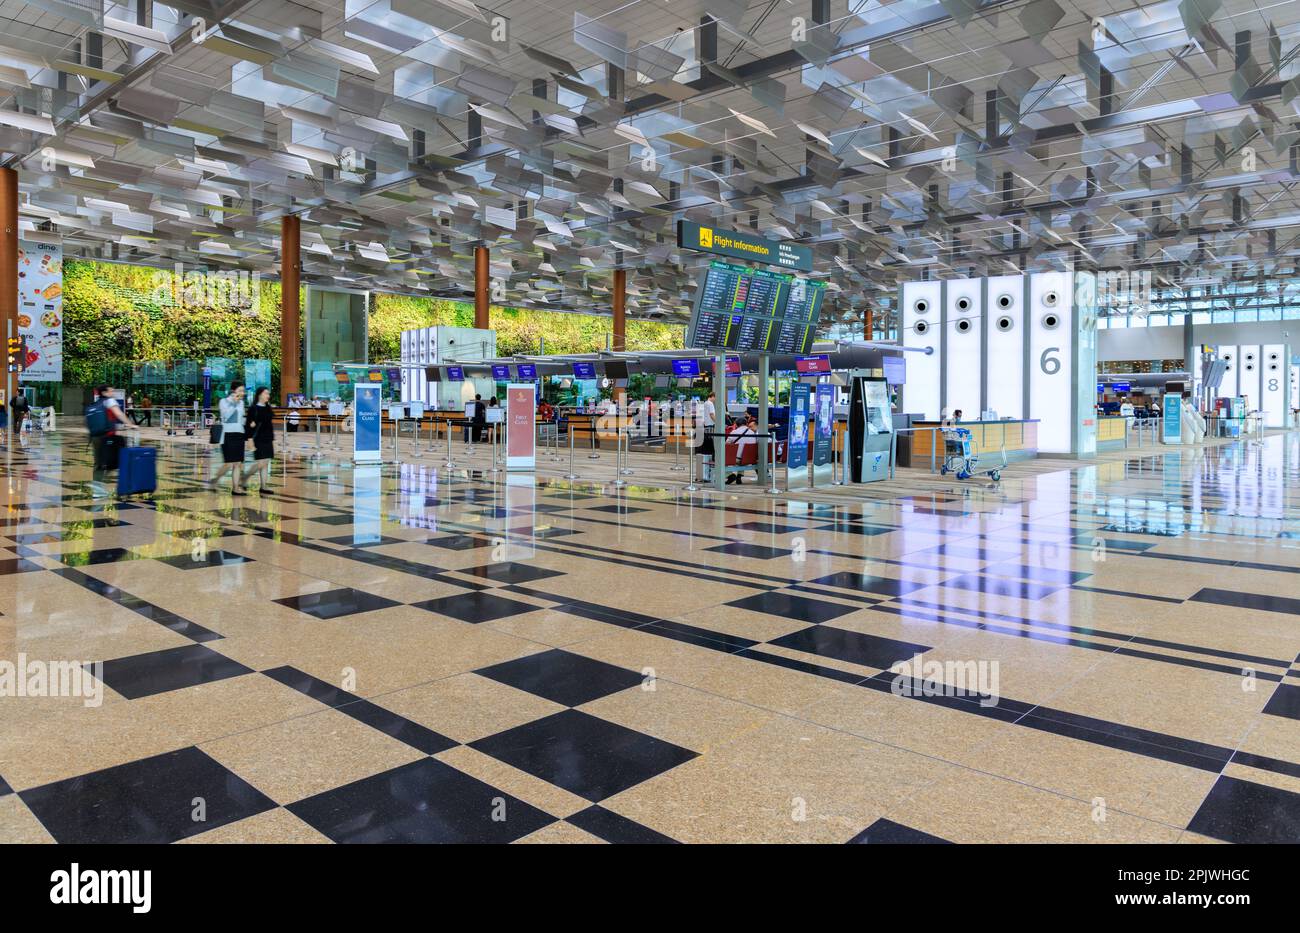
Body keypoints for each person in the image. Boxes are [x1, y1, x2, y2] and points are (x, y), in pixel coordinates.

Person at [88, 384, 129, 497]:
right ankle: (100, 486)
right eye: (111, 391)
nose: (113, 392)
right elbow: (119, 414)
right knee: (116, 461)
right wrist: (130, 424)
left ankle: (97, 488)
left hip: (95, 436)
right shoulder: (110, 401)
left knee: (98, 463)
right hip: (109, 437)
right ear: (104, 393)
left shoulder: (95, 403)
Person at [210, 381, 247, 494]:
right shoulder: (224, 401)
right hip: (227, 435)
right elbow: (226, 416)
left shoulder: (241, 403)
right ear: (233, 390)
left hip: (239, 434)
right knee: (228, 463)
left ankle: (235, 488)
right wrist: (234, 403)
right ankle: (215, 480)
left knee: (237, 463)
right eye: (240, 390)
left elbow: (241, 418)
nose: (242, 393)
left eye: (243, 391)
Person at [242, 387, 274, 491]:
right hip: (258, 438)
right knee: (261, 462)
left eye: (268, 394)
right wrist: (249, 439)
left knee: (266, 462)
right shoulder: (253, 408)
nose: (268, 396)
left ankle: (263, 486)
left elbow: (269, 424)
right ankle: (245, 477)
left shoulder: (268, 407)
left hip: (268, 437)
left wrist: (273, 439)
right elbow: (248, 425)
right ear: (259, 394)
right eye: (266, 393)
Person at [726, 414, 757, 485]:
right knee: (743, 453)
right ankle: (739, 476)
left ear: (736, 424)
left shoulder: (734, 432)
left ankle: (730, 475)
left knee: (720, 458)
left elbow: (726, 445)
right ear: (746, 424)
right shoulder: (752, 433)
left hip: (737, 459)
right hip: (749, 459)